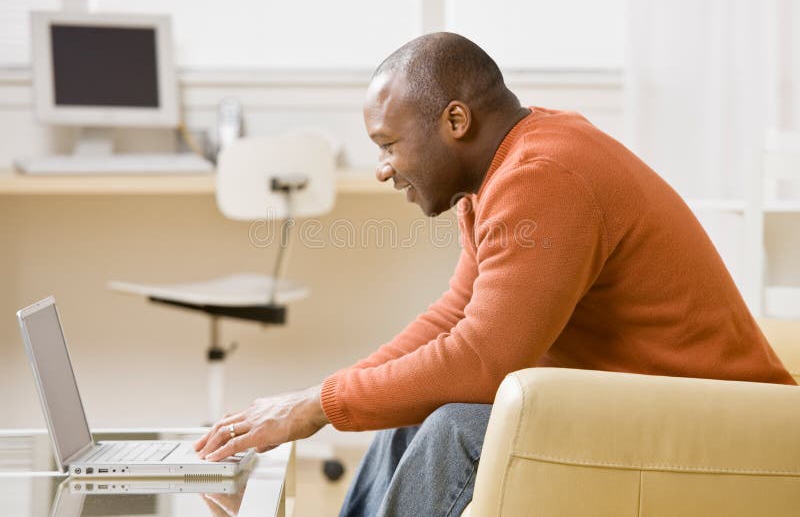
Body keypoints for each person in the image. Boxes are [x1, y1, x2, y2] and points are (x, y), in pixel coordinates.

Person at [194, 33, 795, 516]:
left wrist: (316, 407)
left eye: (389, 145)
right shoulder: (502, 172)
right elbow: (454, 318)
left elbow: (484, 360)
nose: (382, 169)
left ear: (455, 120)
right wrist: (325, 393)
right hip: (661, 408)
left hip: (734, 432)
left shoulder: (546, 174)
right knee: (410, 419)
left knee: (459, 426)